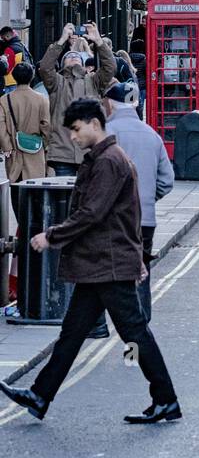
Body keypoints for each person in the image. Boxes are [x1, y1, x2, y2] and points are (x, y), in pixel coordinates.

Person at [0, 98, 180, 425]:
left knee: (135, 333)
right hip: (101, 263)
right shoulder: (102, 158)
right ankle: (40, 396)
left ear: (95, 124)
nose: (73, 137)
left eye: (77, 129)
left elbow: (92, 212)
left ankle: (166, 399)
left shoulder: (110, 161)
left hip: (108, 264)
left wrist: (52, 236)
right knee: (72, 333)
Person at [103, 83, 174, 322]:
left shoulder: (106, 132)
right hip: (146, 217)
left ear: (111, 104)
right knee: (141, 268)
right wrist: (147, 198)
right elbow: (167, 180)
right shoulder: (152, 134)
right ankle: (141, 321)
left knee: (105, 269)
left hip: (114, 217)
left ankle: (102, 322)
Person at [39, 23, 117, 176]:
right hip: (63, 152)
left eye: (76, 56)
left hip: (89, 151)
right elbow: (45, 67)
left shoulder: (94, 80)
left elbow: (110, 67)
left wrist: (99, 42)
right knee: (65, 198)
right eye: (69, 56)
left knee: (88, 196)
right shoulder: (57, 82)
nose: (73, 56)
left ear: (83, 62)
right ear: (63, 64)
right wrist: (61, 40)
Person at [0, 62, 50, 189]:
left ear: (14, 77)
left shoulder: (5, 99)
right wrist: (45, 143)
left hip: (14, 151)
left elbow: (1, 124)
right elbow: (46, 124)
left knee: (16, 189)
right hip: (35, 149)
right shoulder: (42, 99)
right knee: (35, 190)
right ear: (32, 77)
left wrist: (7, 146)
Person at [1, 25, 35, 89]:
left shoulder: (10, 49)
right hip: (19, 81)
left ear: (7, 36)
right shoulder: (21, 45)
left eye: (3, 38)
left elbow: (6, 69)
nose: (3, 40)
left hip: (10, 83)